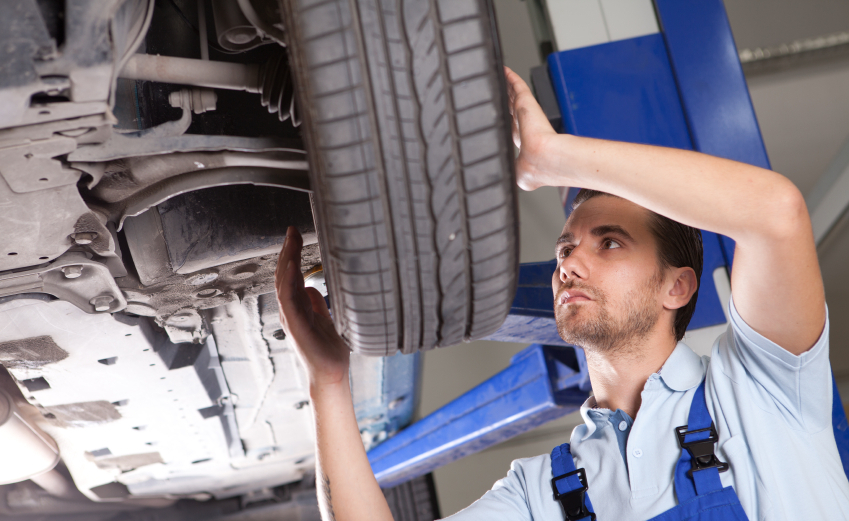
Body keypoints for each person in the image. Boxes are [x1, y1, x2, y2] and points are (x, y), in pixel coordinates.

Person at [274, 66, 849, 521]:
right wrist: (327, 383)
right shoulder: (545, 491)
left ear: (678, 286)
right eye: (565, 248)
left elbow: (775, 213)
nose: (569, 259)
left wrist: (555, 158)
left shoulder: (762, 387)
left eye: (611, 243)